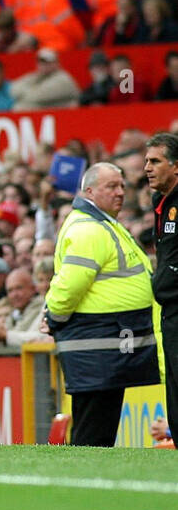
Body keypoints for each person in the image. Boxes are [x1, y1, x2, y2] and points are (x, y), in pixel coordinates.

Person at [46, 162, 159, 447]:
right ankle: (80, 485)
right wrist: (54, 317)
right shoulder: (90, 230)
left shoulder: (100, 223)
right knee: (95, 430)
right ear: (90, 191)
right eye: (111, 186)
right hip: (98, 343)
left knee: (99, 423)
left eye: (122, 186)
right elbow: (69, 284)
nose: (120, 192)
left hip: (104, 344)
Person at [144, 133, 178, 429]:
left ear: (176, 166)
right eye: (146, 161)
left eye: (155, 161)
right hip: (170, 310)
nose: (147, 167)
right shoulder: (162, 202)